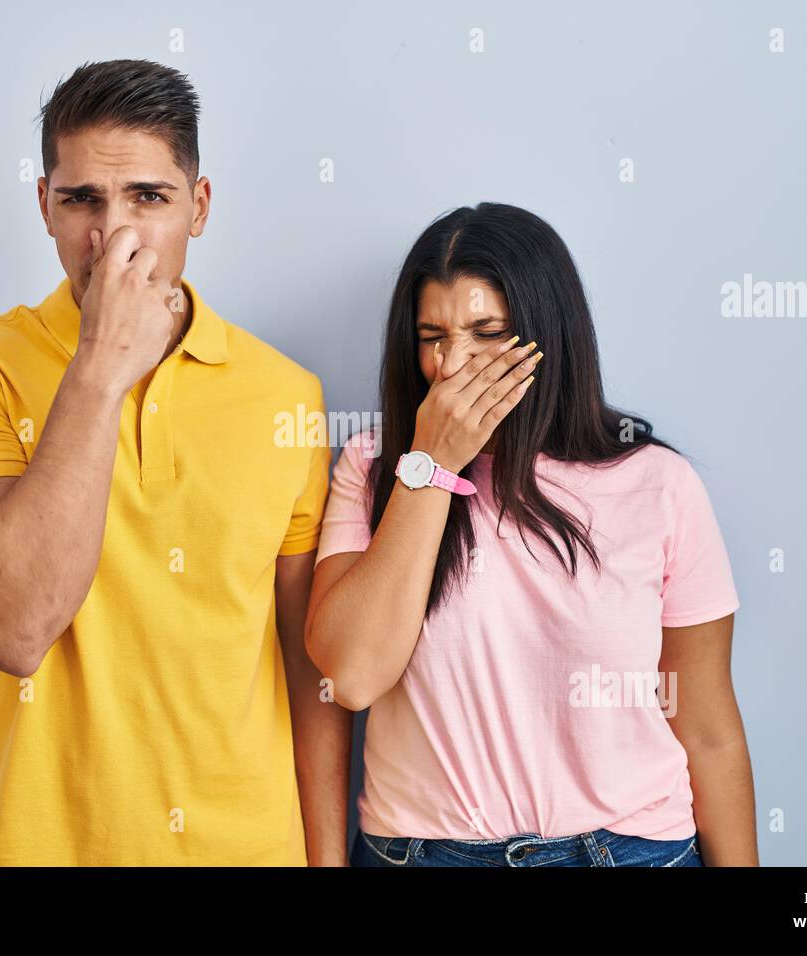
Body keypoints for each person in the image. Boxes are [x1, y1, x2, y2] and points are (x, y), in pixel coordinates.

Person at [0, 60, 350, 866]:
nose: (113, 234)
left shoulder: (287, 393)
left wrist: (326, 859)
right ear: (44, 206)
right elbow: (11, 628)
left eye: (149, 196)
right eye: (82, 199)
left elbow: (303, 661)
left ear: (200, 207)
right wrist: (100, 369)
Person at [305, 202, 758, 867]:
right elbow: (351, 675)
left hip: (629, 851)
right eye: (433, 335)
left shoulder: (658, 484)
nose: (453, 364)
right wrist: (430, 466)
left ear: (550, 333)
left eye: (487, 331)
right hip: (424, 853)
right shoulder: (374, 469)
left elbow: (709, 727)